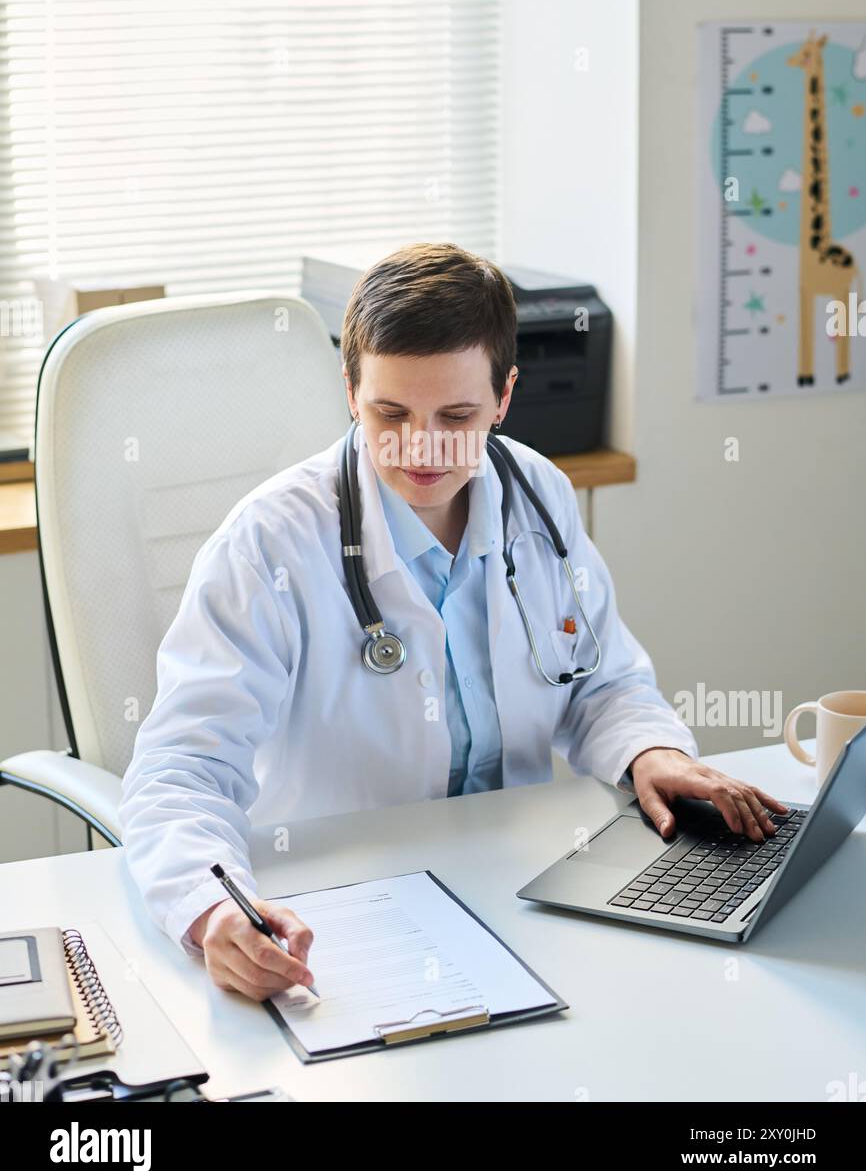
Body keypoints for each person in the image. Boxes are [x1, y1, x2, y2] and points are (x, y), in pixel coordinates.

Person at [119, 243, 788, 1000]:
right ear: (349, 389)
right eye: (390, 412)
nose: (423, 446)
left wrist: (649, 750)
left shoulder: (538, 495)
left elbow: (601, 685)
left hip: (521, 889)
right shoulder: (269, 544)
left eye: (458, 415)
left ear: (504, 396)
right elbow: (181, 772)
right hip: (343, 917)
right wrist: (212, 913)